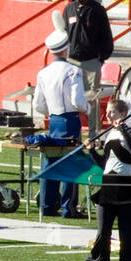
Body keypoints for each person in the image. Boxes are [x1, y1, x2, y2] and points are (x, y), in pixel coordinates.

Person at [85, 97, 131, 261]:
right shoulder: (109, 134)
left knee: (128, 236)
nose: (108, 115)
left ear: (122, 114)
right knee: (102, 233)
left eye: (112, 112)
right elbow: (105, 163)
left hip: (126, 189)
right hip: (107, 189)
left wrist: (122, 129)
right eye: (108, 112)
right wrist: (91, 150)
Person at [33, 22, 88, 218]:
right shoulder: (73, 71)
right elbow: (77, 101)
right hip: (70, 120)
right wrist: (88, 106)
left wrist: (53, 111)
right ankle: (68, 207)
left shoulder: (43, 72)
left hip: (54, 120)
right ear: (67, 48)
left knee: (52, 162)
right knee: (71, 163)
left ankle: (47, 206)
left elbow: (38, 104)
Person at [64, 0, 114, 136]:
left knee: (91, 99)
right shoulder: (69, 9)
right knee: (72, 98)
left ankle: (93, 135)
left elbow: (107, 36)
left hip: (91, 62)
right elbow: (64, 33)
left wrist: (100, 58)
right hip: (72, 61)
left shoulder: (97, 10)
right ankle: (74, 133)